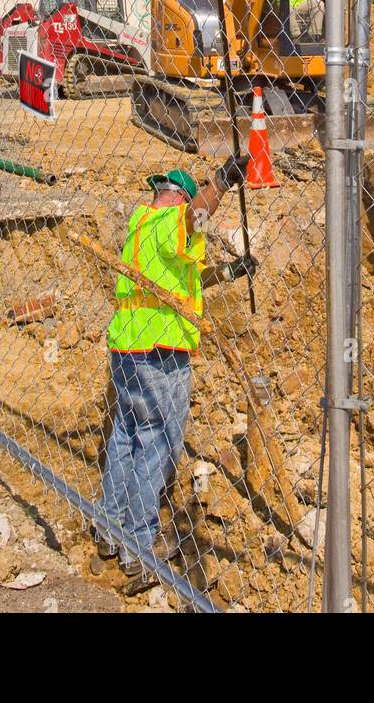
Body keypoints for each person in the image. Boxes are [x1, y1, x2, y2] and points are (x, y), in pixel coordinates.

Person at [94, 158, 256, 593]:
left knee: (126, 435)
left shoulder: (141, 224)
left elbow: (181, 282)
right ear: (180, 196)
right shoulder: (171, 219)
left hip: (127, 348)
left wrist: (230, 271)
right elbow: (194, 217)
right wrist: (221, 183)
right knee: (159, 445)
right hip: (160, 354)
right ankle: (140, 549)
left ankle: (109, 529)